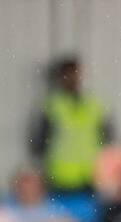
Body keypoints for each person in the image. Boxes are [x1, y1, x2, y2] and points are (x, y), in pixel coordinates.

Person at [30, 56, 108, 197]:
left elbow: (106, 138)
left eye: (75, 73)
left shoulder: (94, 104)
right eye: (67, 74)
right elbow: (39, 143)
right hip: (59, 176)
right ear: (59, 78)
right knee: (61, 216)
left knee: (88, 216)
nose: (72, 78)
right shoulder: (51, 104)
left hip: (90, 175)